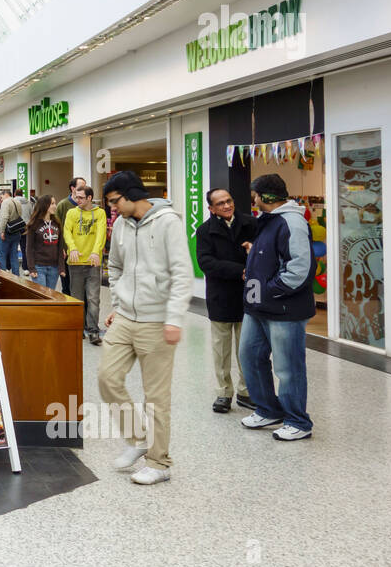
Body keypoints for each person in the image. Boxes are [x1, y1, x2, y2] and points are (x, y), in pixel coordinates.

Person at [97, 170, 193, 485]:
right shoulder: (121, 225)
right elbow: (115, 265)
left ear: (132, 195)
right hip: (126, 317)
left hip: (157, 320)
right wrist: (118, 304)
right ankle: (138, 438)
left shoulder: (168, 222)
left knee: (156, 397)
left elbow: (182, 273)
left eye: (115, 201)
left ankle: (159, 462)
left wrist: (174, 318)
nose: (112, 208)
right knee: (107, 378)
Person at [238, 174, 316, 441]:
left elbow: (299, 268)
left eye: (255, 195)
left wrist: (269, 290)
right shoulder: (268, 220)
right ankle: (268, 409)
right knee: (249, 356)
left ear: (265, 196)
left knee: (288, 367)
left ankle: (298, 421)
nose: (253, 199)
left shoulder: (291, 221)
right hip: (257, 307)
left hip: (284, 309)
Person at [196, 188, 258, 413]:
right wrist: (240, 270)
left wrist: (253, 256)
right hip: (220, 295)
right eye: (220, 203)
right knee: (221, 349)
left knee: (247, 348)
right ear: (211, 208)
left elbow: (263, 252)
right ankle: (223, 393)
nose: (226, 205)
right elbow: (205, 262)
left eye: (229, 201)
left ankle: (246, 391)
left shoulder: (251, 224)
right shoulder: (205, 231)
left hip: (249, 294)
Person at [63, 184, 107, 345]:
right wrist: (72, 248)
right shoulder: (71, 213)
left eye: (81, 197)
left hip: (93, 263)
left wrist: (96, 252)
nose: (77, 200)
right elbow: (67, 232)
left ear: (89, 198)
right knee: (77, 298)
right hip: (75, 263)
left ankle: (93, 331)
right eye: (76, 197)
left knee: (93, 298)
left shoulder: (100, 213)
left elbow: (101, 234)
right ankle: (78, 329)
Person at [55, 177, 87, 294]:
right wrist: (60, 248)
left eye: (85, 186)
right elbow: (56, 228)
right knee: (67, 285)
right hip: (66, 252)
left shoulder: (87, 206)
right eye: (81, 187)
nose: (84, 189)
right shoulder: (63, 205)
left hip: (83, 252)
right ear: (73, 188)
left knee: (82, 287)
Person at [25, 195, 62, 289]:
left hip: (54, 267)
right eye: (52, 204)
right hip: (39, 267)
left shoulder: (57, 223)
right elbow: (29, 248)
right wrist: (31, 268)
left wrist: (61, 267)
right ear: (44, 205)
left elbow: (60, 246)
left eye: (55, 203)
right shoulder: (34, 224)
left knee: (50, 295)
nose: (55, 206)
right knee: (41, 295)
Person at [0, 191, 30, 276]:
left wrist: (2, 231)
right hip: (16, 231)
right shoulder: (17, 202)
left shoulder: (5, 203)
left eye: (1, 197)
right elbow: (20, 215)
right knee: (14, 255)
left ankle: (3, 276)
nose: (1, 199)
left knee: (2, 254)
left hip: (7, 232)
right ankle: (16, 276)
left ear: (5, 195)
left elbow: (4, 218)